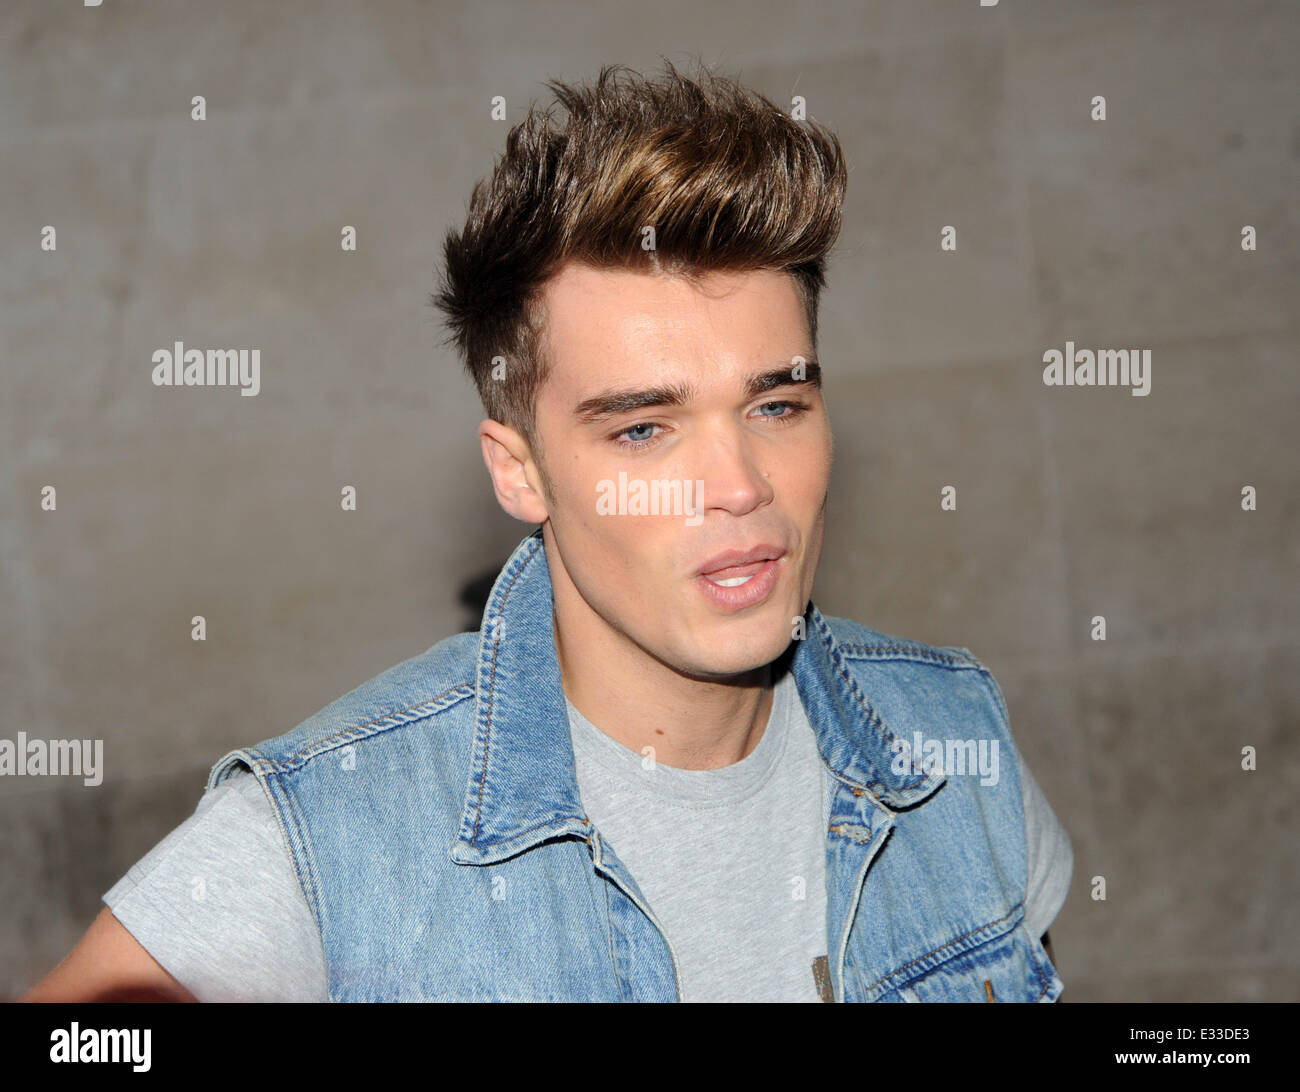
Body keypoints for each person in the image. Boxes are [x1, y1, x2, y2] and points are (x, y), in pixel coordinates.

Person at [23, 60, 1071, 1003]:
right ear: (519, 471)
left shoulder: (954, 740)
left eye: (777, 405)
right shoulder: (333, 832)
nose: (741, 486)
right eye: (644, 429)